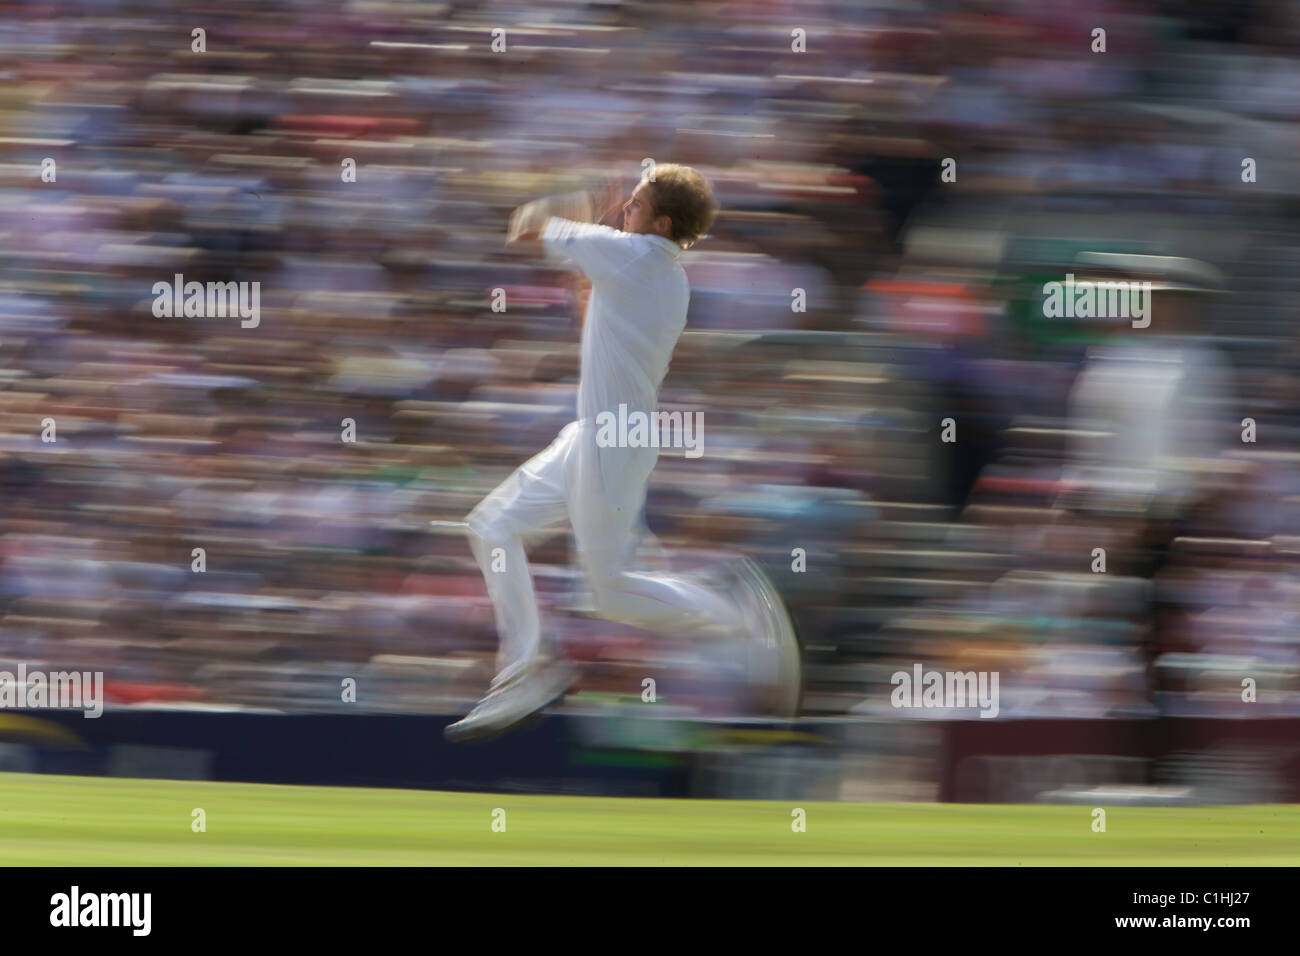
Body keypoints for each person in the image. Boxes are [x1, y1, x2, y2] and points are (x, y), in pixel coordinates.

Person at [445, 164, 801, 742]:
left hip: (613, 439)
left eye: (634, 203)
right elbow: (603, 320)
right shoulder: (657, 272)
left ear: (660, 222)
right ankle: (525, 670)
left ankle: (734, 613)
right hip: (598, 435)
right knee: (491, 527)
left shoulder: (631, 255)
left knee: (609, 592)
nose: (623, 209)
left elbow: (524, 225)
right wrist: (591, 270)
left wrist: (583, 204)